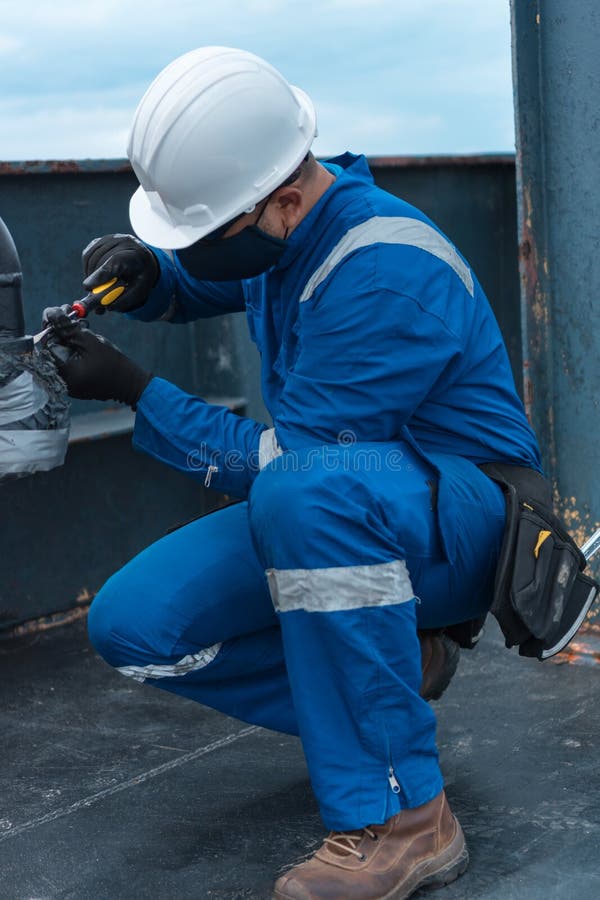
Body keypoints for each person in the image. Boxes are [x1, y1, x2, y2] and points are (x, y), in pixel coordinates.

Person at [44, 47, 541, 900]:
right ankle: (397, 671)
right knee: (135, 624)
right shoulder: (289, 229)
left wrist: (135, 392)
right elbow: (218, 276)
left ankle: (404, 817)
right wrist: (149, 275)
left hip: (464, 515)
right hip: (354, 501)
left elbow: (288, 465)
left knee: (305, 493)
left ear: (279, 203)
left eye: (201, 233)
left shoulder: (385, 270)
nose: (198, 250)